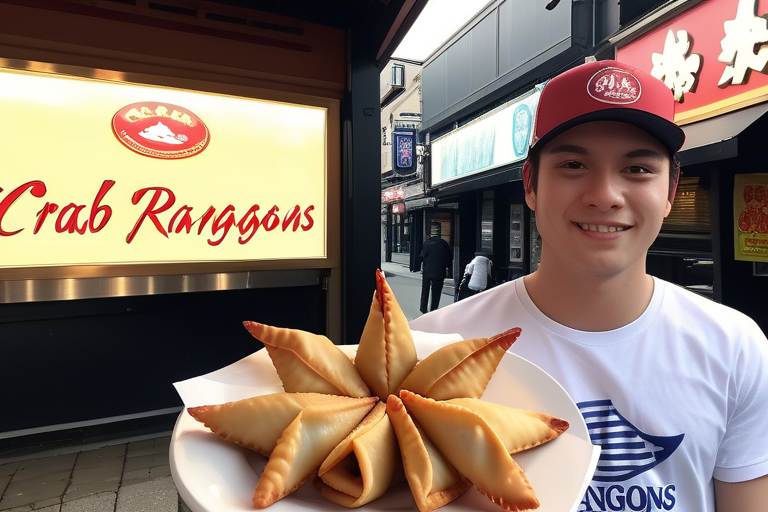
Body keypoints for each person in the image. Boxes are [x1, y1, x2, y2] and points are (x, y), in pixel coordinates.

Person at [412, 60, 768, 511]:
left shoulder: (734, 348)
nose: (605, 195)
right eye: (574, 164)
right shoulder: (434, 348)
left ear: (671, 191)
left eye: (637, 169)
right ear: (531, 185)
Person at [419, 223, 452, 313]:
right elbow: (449, 257)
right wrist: (447, 267)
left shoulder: (426, 243)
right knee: (436, 291)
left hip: (427, 270)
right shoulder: (444, 244)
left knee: (425, 289)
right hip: (439, 270)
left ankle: (423, 307)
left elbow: (422, 256)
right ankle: (433, 308)